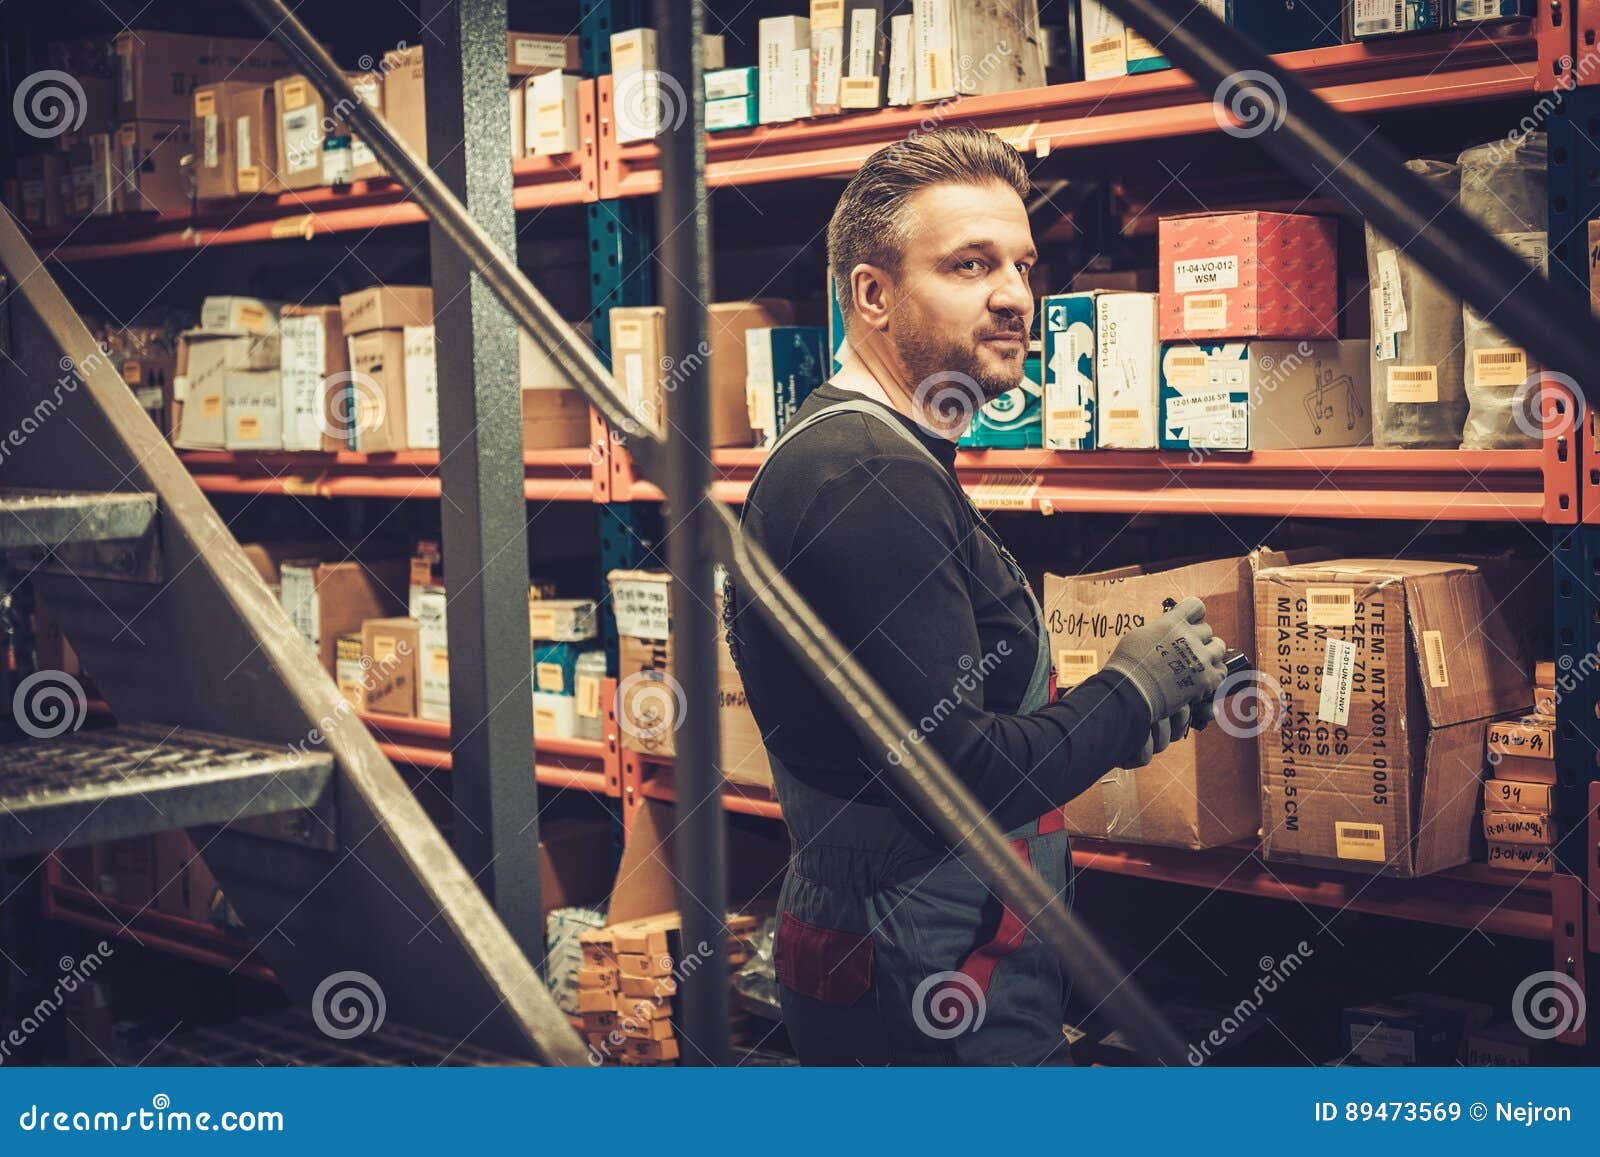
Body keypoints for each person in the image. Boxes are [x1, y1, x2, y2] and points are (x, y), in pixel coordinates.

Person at [722, 126, 1229, 1065]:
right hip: (925, 978)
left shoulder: (864, 452)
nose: (1014, 296)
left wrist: (1110, 714)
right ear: (871, 294)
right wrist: (1131, 691)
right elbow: (956, 779)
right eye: (969, 264)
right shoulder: (865, 477)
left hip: (929, 951)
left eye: (1024, 265)